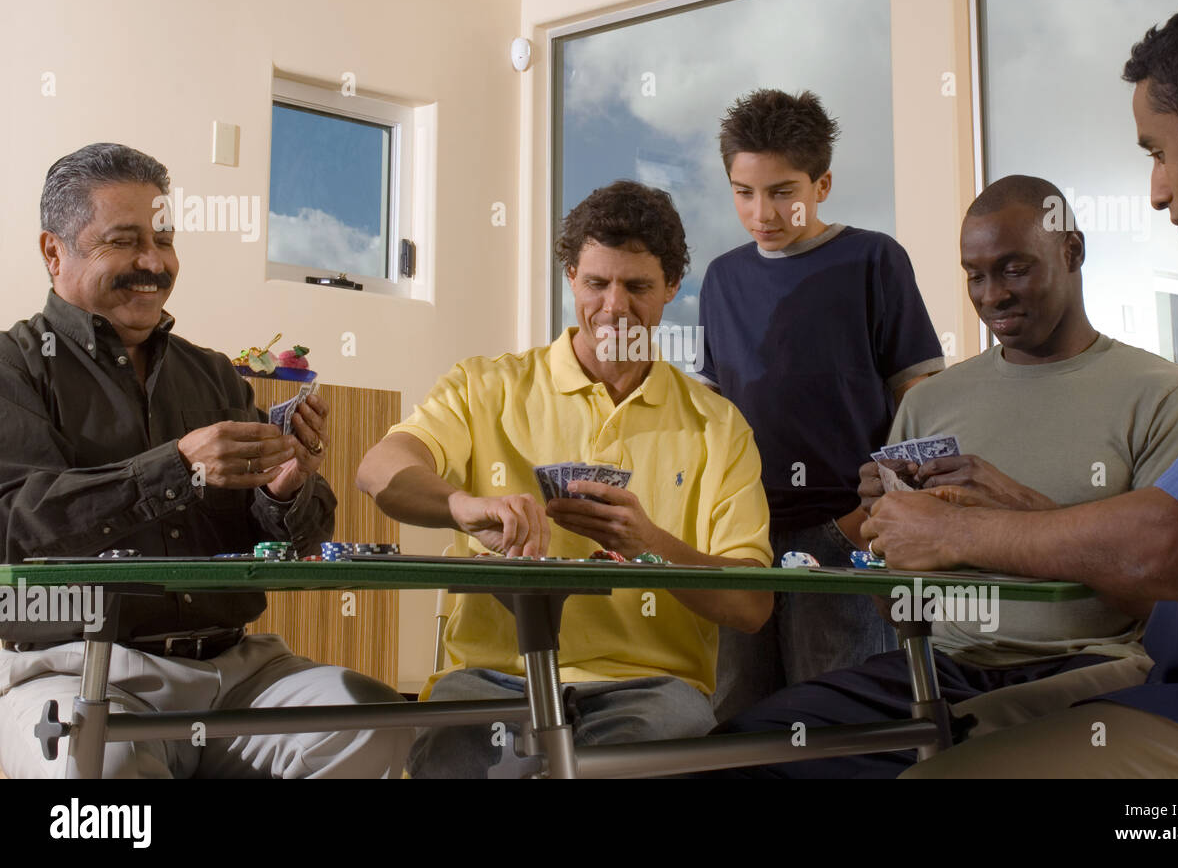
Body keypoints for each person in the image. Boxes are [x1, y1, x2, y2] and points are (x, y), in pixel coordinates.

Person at [873, 0, 1178, 778]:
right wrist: (1020, 511)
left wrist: (957, 535)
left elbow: (1174, 550)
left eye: (1159, 153)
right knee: (929, 737)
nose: (1158, 192)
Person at [710, 174, 1178, 776]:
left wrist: (1017, 511)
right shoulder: (930, 403)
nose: (992, 294)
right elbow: (899, 609)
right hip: (935, 667)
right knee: (741, 748)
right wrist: (887, 540)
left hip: (1088, 667)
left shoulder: (1162, 397)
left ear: (1072, 252)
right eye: (975, 275)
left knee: (939, 765)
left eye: (1014, 269)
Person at [0, 143, 412, 779]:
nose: (154, 263)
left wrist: (287, 491)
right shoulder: (13, 368)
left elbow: (302, 539)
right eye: (124, 241)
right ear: (55, 252)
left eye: (165, 240)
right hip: (76, 667)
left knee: (372, 722)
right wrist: (177, 468)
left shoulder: (215, 375)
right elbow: (14, 533)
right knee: (91, 771)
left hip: (236, 668)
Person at [356, 179, 774, 778]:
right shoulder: (486, 385)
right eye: (597, 283)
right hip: (490, 678)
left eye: (637, 287)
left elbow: (752, 605)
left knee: (647, 754)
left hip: (650, 688)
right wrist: (462, 506)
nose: (614, 308)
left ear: (672, 290)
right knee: (451, 759)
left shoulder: (719, 426)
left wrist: (650, 544)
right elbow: (379, 470)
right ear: (571, 277)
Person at [697, 89, 945, 721]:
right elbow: (712, 415)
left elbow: (918, 408)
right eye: (743, 191)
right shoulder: (722, 279)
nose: (762, 212)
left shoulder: (873, 260)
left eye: (782, 191)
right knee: (740, 731)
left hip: (844, 539)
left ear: (823, 183)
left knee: (841, 733)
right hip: (741, 542)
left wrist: (858, 528)